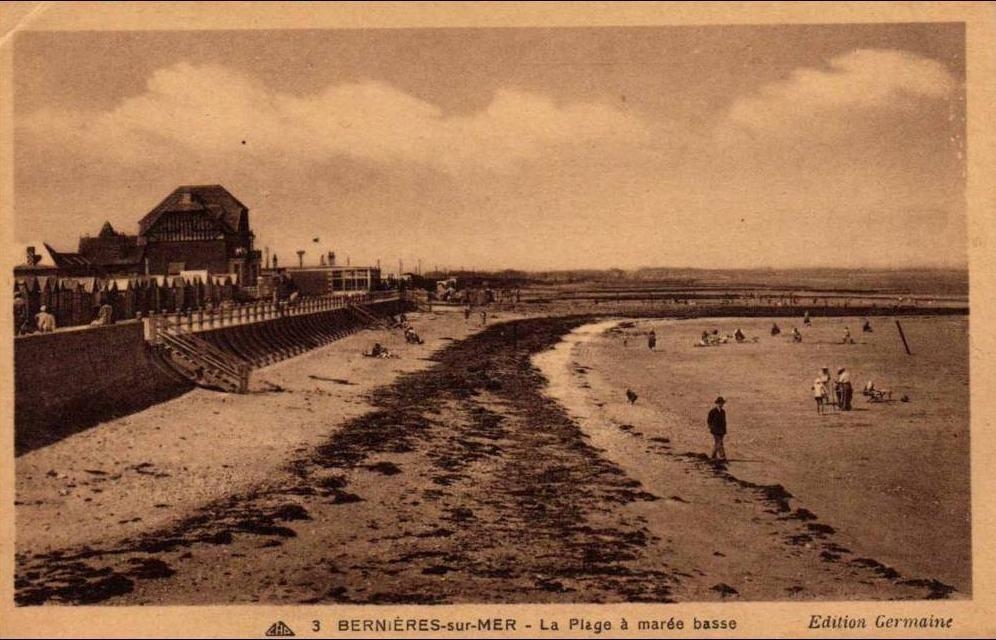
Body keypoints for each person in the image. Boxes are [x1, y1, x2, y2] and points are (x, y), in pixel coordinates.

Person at [707, 396, 728, 461]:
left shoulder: (723, 412)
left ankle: (714, 456)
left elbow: (724, 422)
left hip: (721, 431)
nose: (721, 404)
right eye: (720, 403)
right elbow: (709, 420)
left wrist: (724, 431)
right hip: (715, 430)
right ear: (717, 403)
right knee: (719, 442)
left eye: (722, 403)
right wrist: (711, 427)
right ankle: (722, 456)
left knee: (719, 443)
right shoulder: (713, 411)